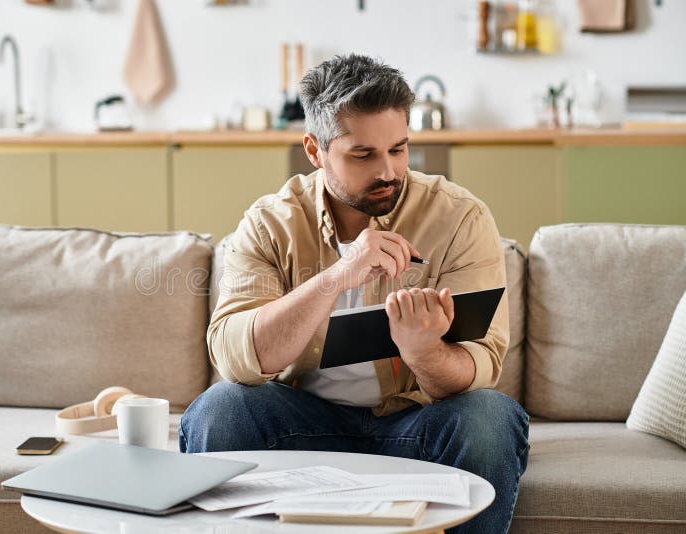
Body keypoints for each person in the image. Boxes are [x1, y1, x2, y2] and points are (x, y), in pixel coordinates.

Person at [179, 54, 529, 533]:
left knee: (489, 417)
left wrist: (424, 351)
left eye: (400, 150)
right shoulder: (268, 224)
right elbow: (236, 357)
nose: (388, 171)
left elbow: (481, 364)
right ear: (315, 150)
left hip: (416, 424)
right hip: (303, 425)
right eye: (363, 155)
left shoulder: (460, 218)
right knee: (219, 409)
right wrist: (337, 277)